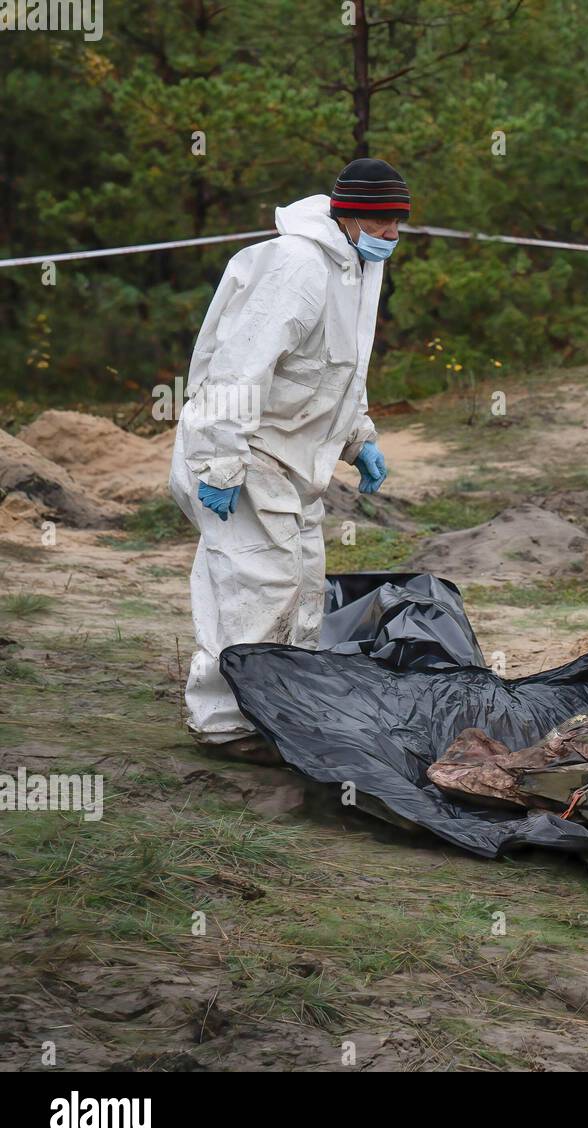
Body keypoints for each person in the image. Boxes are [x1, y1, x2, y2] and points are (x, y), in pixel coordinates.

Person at [169, 158, 410, 763]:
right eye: (383, 222)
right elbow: (237, 371)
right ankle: (226, 722)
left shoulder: (358, 268)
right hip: (246, 450)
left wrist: (359, 437)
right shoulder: (297, 267)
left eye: (399, 223)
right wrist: (222, 465)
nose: (393, 235)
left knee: (301, 587)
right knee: (253, 585)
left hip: (298, 458)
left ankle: (281, 706)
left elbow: (341, 368)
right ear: (349, 217)